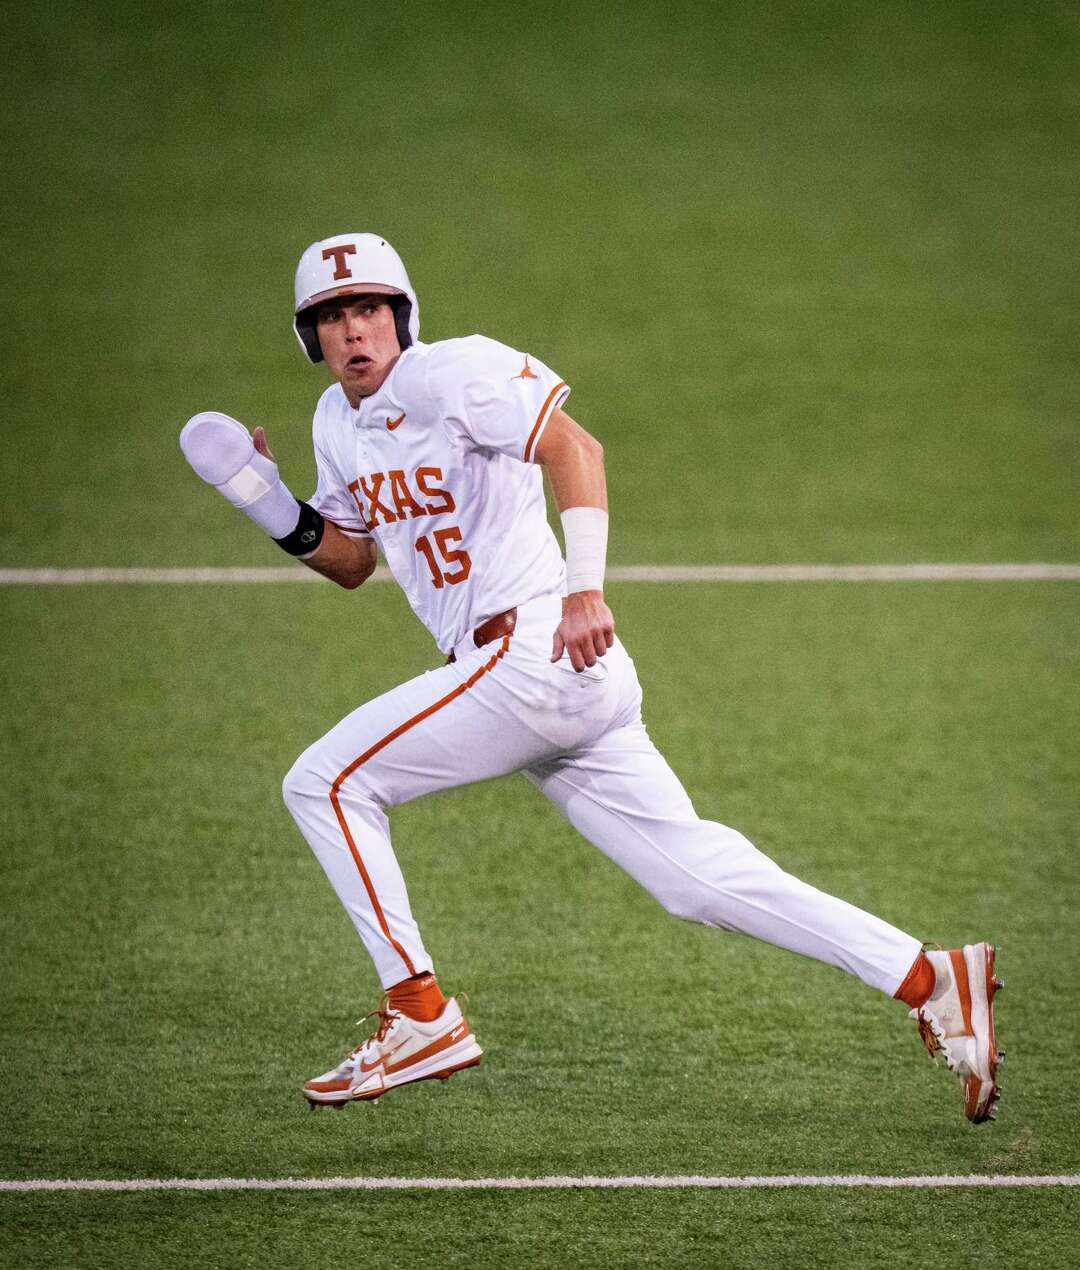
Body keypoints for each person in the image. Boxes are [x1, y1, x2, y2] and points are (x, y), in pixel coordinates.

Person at [179, 232, 1003, 1122]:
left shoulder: (452, 372)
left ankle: (419, 1012)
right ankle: (929, 978)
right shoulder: (336, 423)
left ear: (402, 317)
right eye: (333, 315)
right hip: (547, 680)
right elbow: (351, 563)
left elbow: (576, 449)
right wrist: (267, 499)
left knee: (326, 783)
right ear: (310, 336)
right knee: (693, 879)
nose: (353, 330)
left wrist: (585, 589)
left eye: (370, 308)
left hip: (535, 654)